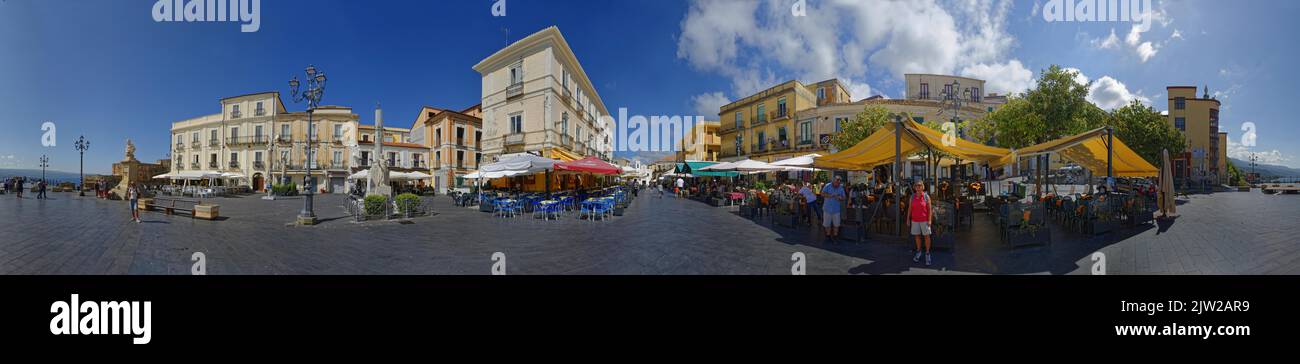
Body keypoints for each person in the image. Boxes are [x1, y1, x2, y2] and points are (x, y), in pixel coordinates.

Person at [909, 180, 934, 266]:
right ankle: (919, 251)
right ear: (914, 187)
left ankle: (927, 253)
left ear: (923, 187)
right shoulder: (912, 197)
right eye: (916, 185)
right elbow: (909, 209)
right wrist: (908, 219)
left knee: (926, 236)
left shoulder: (926, 197)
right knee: (917, 236)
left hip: (924, 220)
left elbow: (930, 209)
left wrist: (930, 220)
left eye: (920, 185)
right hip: (915, 220)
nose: (918, 187)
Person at [820, 176, 846, 242]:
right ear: (833, 181)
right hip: (827, 209)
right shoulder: (827, 186)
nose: (838, 183)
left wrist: (840, 198)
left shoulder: (841, 188)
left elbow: (844, 197)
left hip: (836, 210)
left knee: (836, 224)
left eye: (839, 182)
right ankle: (828, 235)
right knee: (827, 224)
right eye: (837, 182)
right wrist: (830, 196)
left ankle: (835, 236)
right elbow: (822, 194)